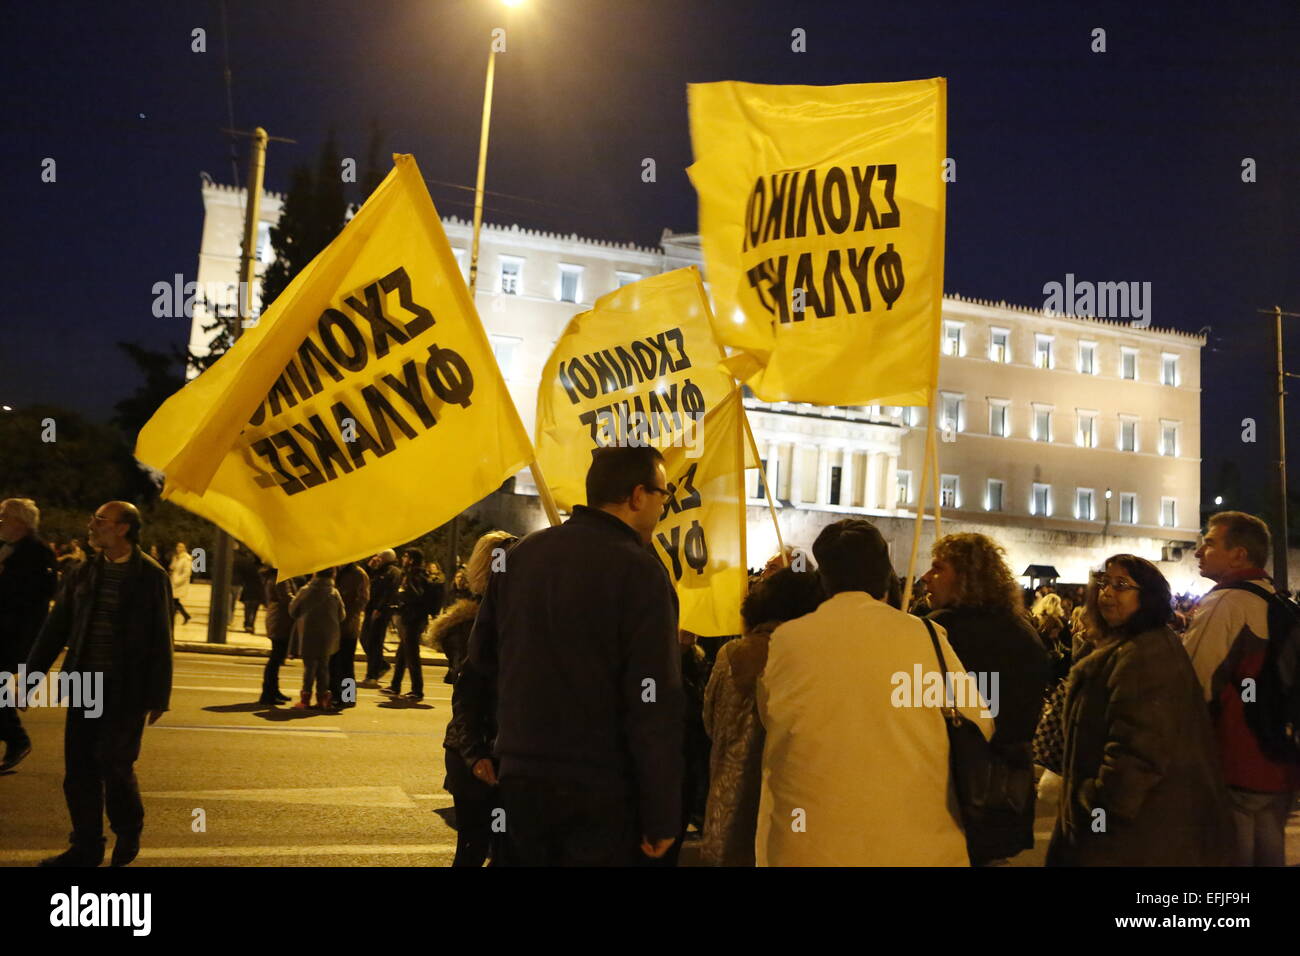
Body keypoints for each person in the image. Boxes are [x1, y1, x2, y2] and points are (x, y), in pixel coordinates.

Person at [465, 445, 683, 866]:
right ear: (638, 496)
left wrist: (486, 750)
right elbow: (652, 700)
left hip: (522, 775)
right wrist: (660, 811)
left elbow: (480, 663)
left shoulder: (520, 556)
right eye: (663, 494)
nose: (663, 506)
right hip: (601, 787)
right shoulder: (641, 571)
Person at [756, 518, 993, 866]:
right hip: (915, 846)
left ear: (824, 580)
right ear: (885, 577)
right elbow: (979, 722)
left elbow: (772, 718)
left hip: (809, 846)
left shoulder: (788, 642)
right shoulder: (925, 638)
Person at [1047, 554, 1235, 866]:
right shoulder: (1133, 646)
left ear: (1147, 597)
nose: (1107, 593)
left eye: (1121, 586)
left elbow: (1138, 751)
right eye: (1105, 583)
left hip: (1134, 833)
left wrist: (1097, 806)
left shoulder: (1143, 656)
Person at [26, 501, 173, 867]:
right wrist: (30, 677)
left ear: (123, 528)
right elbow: (56, 626)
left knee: (115, 764)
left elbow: (161, 638)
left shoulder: (151, 576)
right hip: (83, 683)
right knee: (78, 771)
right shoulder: (82, 571)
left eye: (100, 520)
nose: (91, 525)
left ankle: (128, 827)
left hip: (127, 688)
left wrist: (158, 695)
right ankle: (86, 846)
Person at [921, 533, 1052, 863]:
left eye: (938, 568)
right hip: (1005, 794)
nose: (926, 576)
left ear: (965, 576)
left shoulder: (939, 633)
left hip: (949, 793)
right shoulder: (1024, 633)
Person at [1182, 511, 1300, 866]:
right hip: (1278, 756)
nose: (1199, 552)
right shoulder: (1277, 602)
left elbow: (1194, 682)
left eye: (1210, 543)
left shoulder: (1226, 602)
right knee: (1270, 854)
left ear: (1239, 555)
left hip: (1236, 757)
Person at [701, 568, 823, 866]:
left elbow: (709, 722)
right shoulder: (808, 660)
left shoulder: (730, 653)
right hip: (787, 805)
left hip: (727, 802)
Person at [439, 531, 517, 867]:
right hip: (478, 757)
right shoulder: (475, 625)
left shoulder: (517, 619)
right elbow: (467, 697)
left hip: (507, 755)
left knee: (504, 851)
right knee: (473, 851)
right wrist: (475, 755)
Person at [0, 498, 59, 771]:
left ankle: (17, 739)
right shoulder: (7, 548)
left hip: (15, 634)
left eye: (4, 516)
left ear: (20, 522)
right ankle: (16, 737)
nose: (0, 521)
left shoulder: (37, 553)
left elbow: (35, 602)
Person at [382, 549, 438, 702]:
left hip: (413, 620)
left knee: (412, 656)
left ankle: (417, 690)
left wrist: (401, 596)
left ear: (412, 560)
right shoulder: (416, 574)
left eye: (406, 556)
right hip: (413, 618)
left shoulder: (414, 576)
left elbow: (416, 596)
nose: (403, 558)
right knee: (401, 654)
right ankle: (395, 685)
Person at [289, 569, 345, 711]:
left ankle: (305, 700)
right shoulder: (334, 593)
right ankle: (322, 700)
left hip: (308, 633)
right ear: (333, 575)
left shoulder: (305, 590)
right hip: (328, 635)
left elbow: (292, 610)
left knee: (309, 667)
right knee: (323, 667)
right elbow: (342, 615)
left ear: (315, 574)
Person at [328, 561, 370, 709]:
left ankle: (348, 697)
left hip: (348, 626)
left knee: (346, 664)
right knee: (332, 663)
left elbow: (363, 599)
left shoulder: (358, 574)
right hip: (332, 625)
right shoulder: (332, 570)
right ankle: (334, 695)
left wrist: (348, 614)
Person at [359, 550, 400, 687]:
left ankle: (372, 675)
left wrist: (380, 608)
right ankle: (381, 665)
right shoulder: (378, 570)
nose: (376, 558)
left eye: (379, 556)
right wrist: (369, 567)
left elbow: (389, 592)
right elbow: (367, 583)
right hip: (370, 609)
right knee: (365, 639)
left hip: (380, 611)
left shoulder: (393, 572)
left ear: (385, 558)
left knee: (374, 642)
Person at [259, 568, 294, 705]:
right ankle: (268, 693)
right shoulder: (280, 577)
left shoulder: (278, 576)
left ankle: (273, 690)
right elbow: (286, 597)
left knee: (277, 658)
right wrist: (303, 600)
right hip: (280, 620)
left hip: (279, 619)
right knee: (276, 658)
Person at [236, 552, 264, 634]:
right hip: (258, 590)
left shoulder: (247, 566)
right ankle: (251, 624)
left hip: (248, 589)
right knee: (255, 609)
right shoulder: (262, 569)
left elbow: (243, 577)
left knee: (248, 608)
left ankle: (247, 624)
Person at [168, 542, 192, 627]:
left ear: (185, 548)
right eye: (178, 546)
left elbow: (187, 573)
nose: (179, 548)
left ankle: (172, 619)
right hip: (174, 581)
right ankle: (186, 616)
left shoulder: (186, 559)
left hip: (179, 583)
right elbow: (172, 567)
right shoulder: (176, 557)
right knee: (175, 601)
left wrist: (177, 580)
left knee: (173, 601)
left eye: (181, 547)